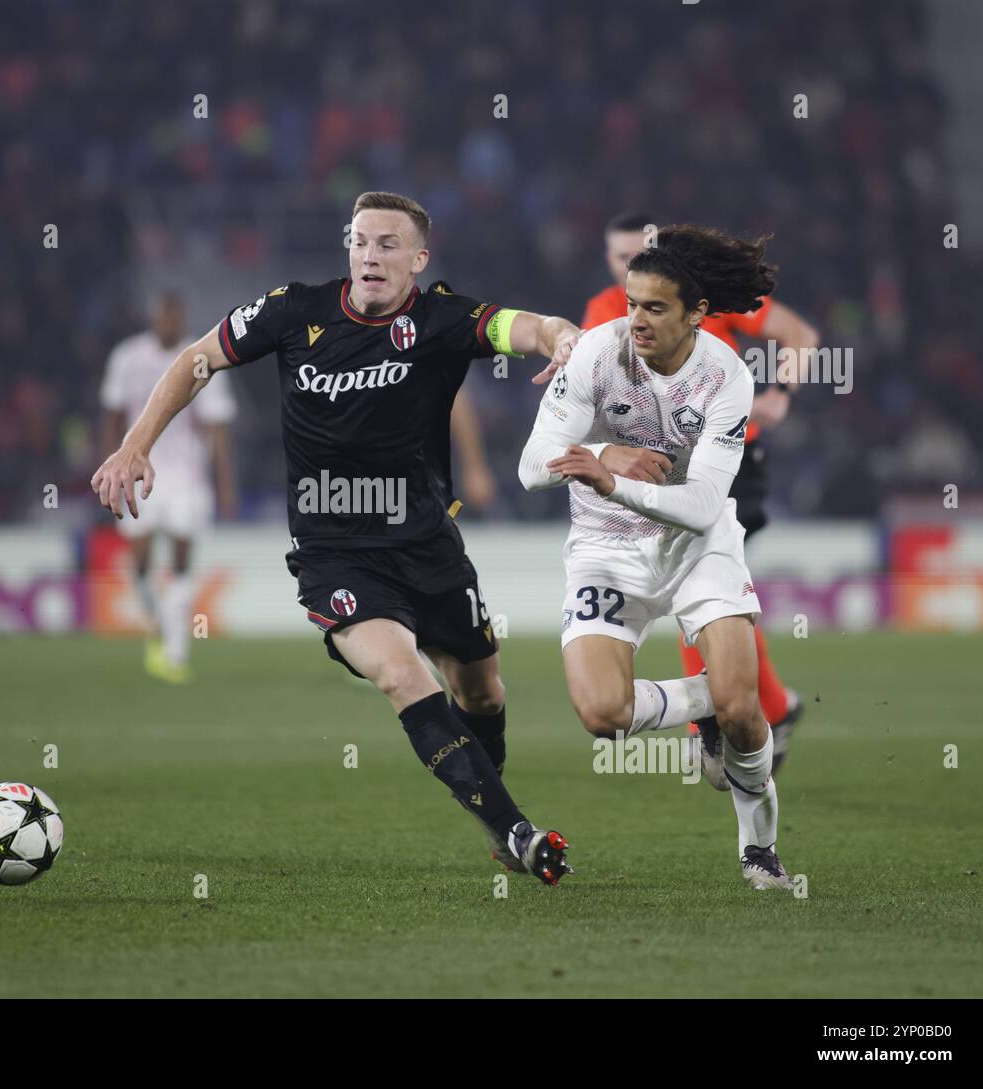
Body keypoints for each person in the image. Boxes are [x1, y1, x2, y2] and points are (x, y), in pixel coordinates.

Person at [92, 192, 583, 884]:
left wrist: (563, 337)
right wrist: (135, 444)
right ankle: (515, 830)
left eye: (388, 244)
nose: (371, 256)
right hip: (334, 553)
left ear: (419, 258)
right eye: (360, 241)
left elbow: (525, 327)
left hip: (426, 545)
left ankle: (489, 800)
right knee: (397, 670)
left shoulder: (440, 318)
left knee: (483, 692)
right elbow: (198, 359)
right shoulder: (294, 310)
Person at [519, 224, 791, 890]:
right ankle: (713, 702)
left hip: (698, 545)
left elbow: (701, 506)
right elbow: (530, 468)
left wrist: (618, 481)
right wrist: (606, 457)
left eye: (654, 307)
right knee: (602, 714)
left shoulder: (727, 376)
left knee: (744, 716)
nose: (634, 319)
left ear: (696, 313)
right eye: (631, 302)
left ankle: (759, 848)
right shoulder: (594, 354)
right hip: (605, 549)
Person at [582, 211, 820, 774]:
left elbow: (800, 335)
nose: (625, 271)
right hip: (660, 467)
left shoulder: (700, 300)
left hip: (731, 463)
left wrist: (781, 392)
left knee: (701, 585)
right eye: (616, 260)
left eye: (633, 256)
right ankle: (774, 706)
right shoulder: (603, 314)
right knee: (717, 594)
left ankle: (711, 722)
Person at [98, 292, 237, 683]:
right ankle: (159, 625)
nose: (170, 322)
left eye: (177, 315)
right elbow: (110, 414)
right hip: (138, 471)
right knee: (140, 563)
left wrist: (225, 485)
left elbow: (218, 428)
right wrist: (111, 465)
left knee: (180, 560)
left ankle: (174, 652)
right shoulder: (127, 357)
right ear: (154, 317)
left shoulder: (202, 357)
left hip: (186, 477)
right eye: (164, 314)